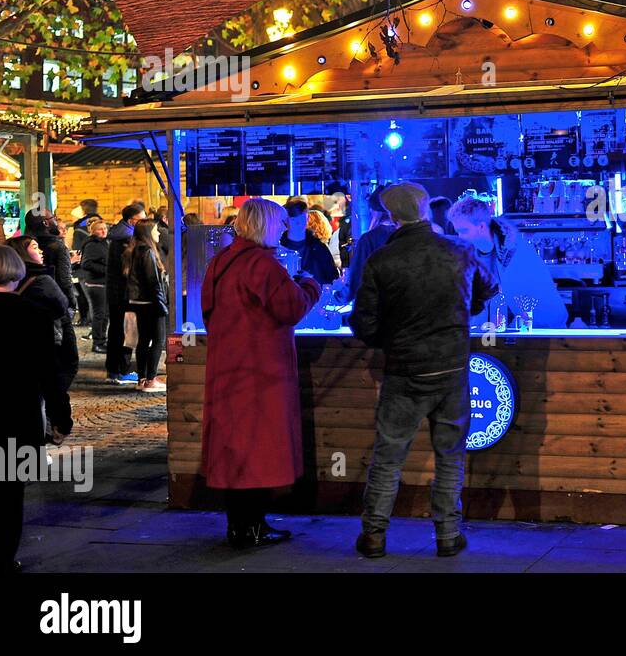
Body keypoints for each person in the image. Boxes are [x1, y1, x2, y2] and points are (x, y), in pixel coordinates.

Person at [350, 183, 500, 559]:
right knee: (450, 455)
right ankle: (448, 535)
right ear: (427, 211)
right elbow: (488, 290)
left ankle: (373, 536)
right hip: (451, 369)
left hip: (403, 372)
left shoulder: (381, 260)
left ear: (393, 217)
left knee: (389, 456)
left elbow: (363, 323)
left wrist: (394, 338)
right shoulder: (460, 250)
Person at [200, 198, 322, 549]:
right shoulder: (262, 264)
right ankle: (254, 527)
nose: (286, 228)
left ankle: (239, 526)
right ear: (268, 224)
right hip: (260, 370)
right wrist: (311, 287)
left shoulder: (222, 261)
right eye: (282, 222)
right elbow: (292, 307)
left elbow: (210, 310)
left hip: (228, 367)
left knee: (235, 449)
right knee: (258, 447)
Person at [0, 246, 70, 574]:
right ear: (17, 272)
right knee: (9, 496)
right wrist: (60, 419)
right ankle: (4, 559)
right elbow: (50, 375)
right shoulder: (33, 315)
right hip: (16, 419)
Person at [448, 191, 569, 328]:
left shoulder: (515, 252)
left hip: (546, 329)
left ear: (481, 227)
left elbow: (520, 301)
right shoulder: (476, 253)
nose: (459, 237)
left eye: (463, 231)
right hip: (520, 329)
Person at [5, 236, 80, 399]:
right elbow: (61, 304)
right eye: (34, 247)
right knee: (59, 373)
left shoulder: (10, 279)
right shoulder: (42, 280)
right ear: (22, 253)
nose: (41, 251)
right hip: (50, 337)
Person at [124, 219, 168, 391]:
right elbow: (153, 281)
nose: (158, 233)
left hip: (137, 302)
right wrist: (162, 304)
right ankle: (151, 379)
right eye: (156, 230)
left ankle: (142, 379)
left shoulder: (132, 250)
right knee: (158, 339)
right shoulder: (147, 251)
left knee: (143, 340)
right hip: (151, 302)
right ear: (148, 233)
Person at [105, 204, 146, 385]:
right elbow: (128, 271)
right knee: (125, 331)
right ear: (132, 221)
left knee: (116, 330)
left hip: (116, 293)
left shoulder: (118, 234)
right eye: (142, 219)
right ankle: (121, 370)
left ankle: (114, 370)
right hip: (124, 294)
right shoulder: (127, 238)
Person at [344, 186, 396, 299]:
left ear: (374, 211)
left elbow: (357, 280)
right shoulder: (407, 235)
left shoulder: (368, 239)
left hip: (377, 306)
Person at [24, 209, 76, 318]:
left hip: (29, 301)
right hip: (55, 302)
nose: (56, 222)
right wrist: (71, 303)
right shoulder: (58, 247)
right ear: (46, 223)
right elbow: (64, 279)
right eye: (54, 218)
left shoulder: (22, 246)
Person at [280, 199, 338, 284]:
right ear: (286, 221)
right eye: (293, 219)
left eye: (301, 219)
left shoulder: (319, 247)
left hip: (314, 294)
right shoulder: (278, 247)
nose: (298, 223)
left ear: (307, 219)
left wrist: (312, 280)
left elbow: (332, 278)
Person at [79, 218, 110, 354]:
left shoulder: (103, 242)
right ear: (93, 231)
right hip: (96, 284)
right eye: (100, 229)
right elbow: (86, 263)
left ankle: (102, 339)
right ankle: (97, 343)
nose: (103, 231)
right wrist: (106, 269)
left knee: (104, 315)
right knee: (99, 314)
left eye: (105, 228)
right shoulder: (92, 244)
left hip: (103, 283)